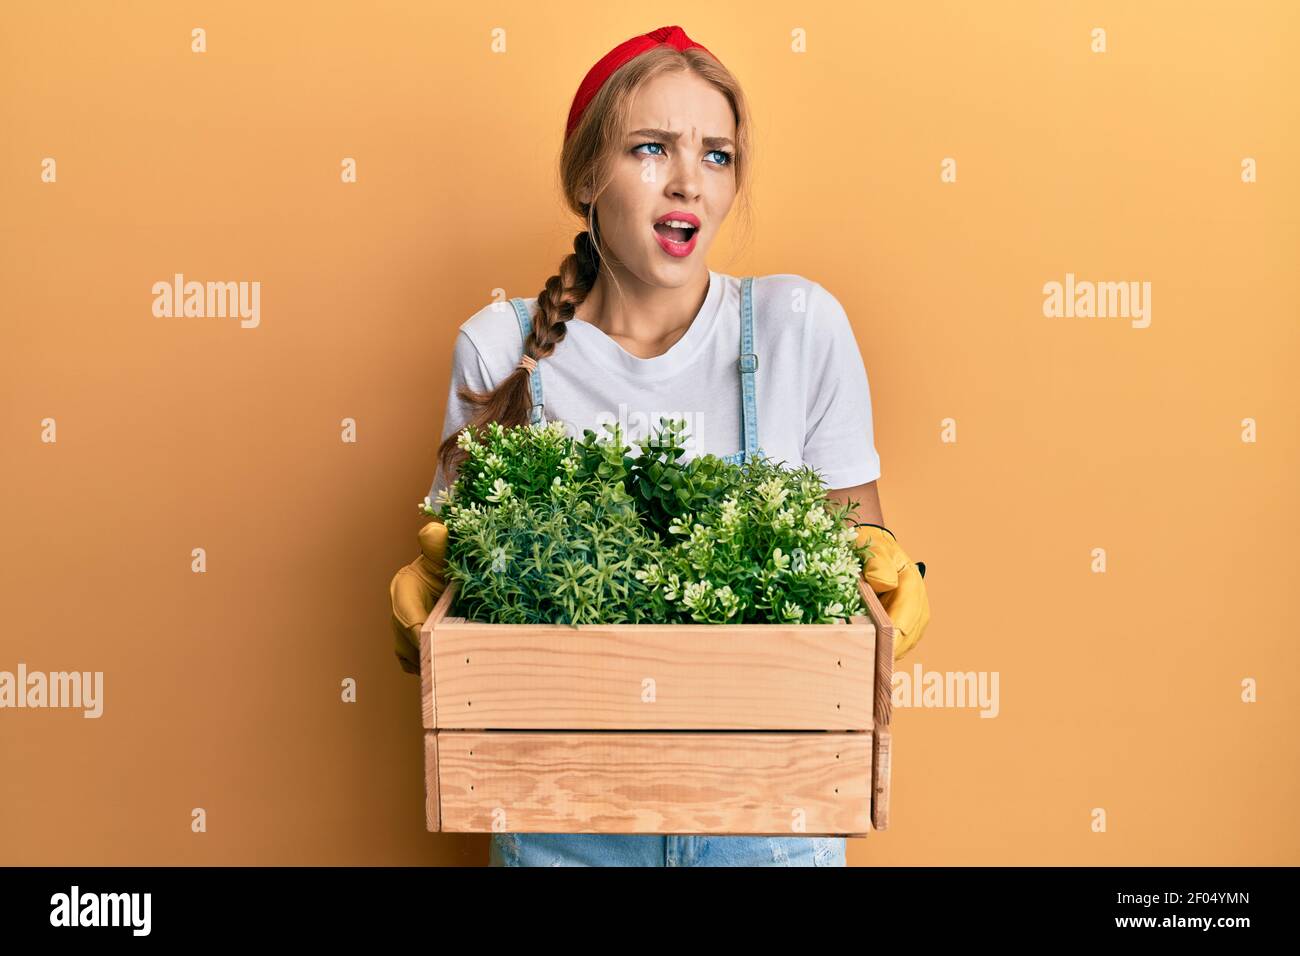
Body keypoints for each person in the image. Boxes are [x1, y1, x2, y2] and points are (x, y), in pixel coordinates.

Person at [390, 24, 930, 867]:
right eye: (651, 148)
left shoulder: (798, 328)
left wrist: (883, 563)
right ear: (586, 180)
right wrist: (436, 588)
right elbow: (471, 602)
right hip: (562, 822)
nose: (688, 182)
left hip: (772, 821)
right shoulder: (499, 347)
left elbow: (857, 541)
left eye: (717, 155)